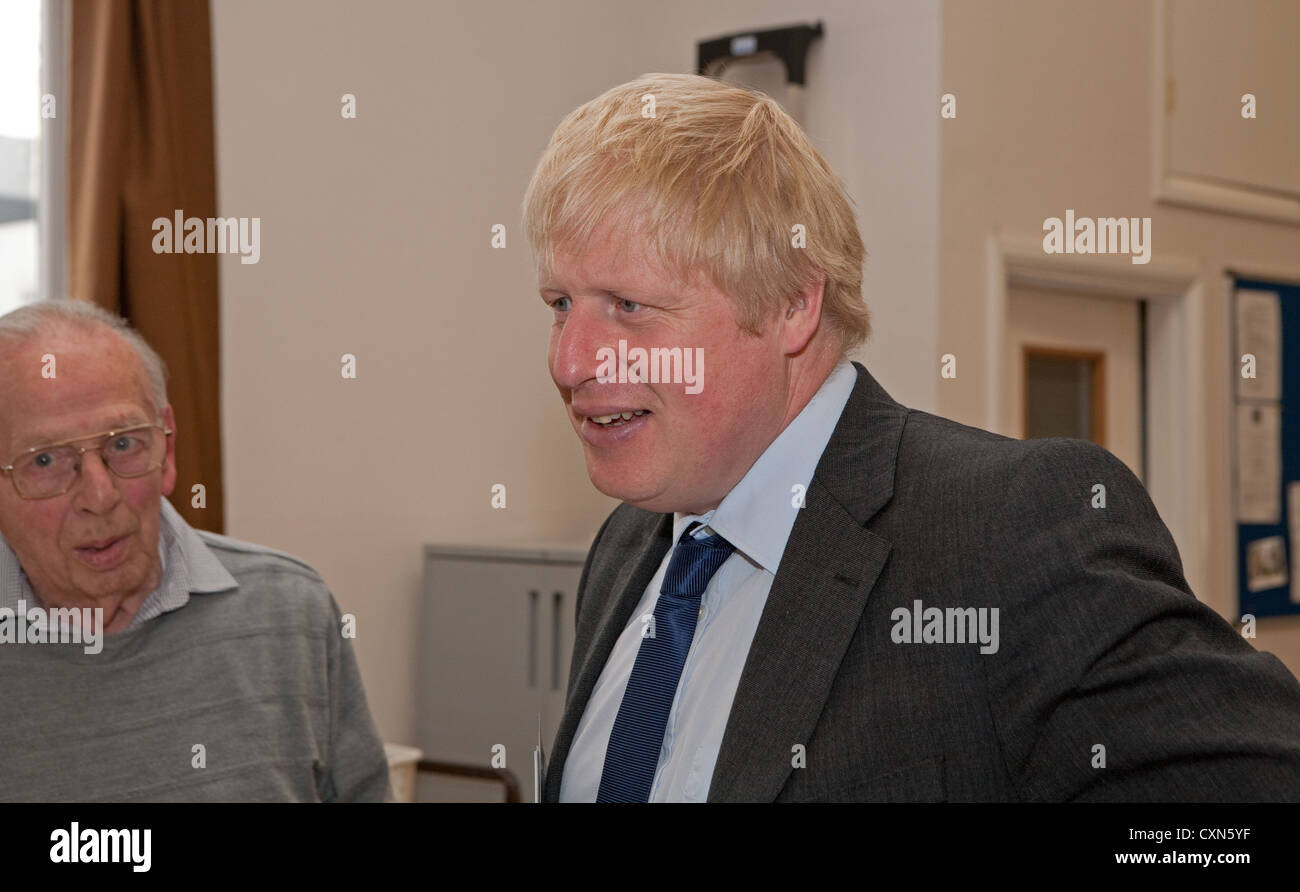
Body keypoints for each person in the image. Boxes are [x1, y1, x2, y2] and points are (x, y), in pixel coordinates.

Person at [524, 72, 1300, 801]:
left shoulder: (1013, 533)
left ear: (793, 305)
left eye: (629, 306)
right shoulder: (630, 546)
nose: (569, 360)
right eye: (562, 304)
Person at [0, 300, 390, 801]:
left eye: (123, 444)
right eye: (46, 459)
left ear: (168, 448)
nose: (99, 497)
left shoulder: (291, 611)